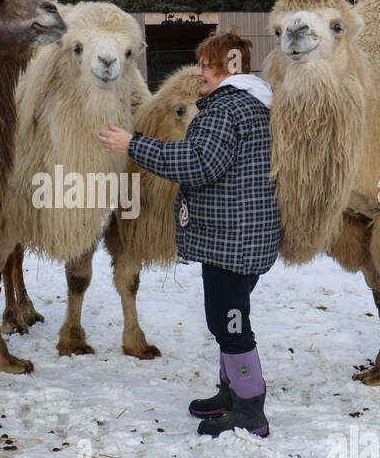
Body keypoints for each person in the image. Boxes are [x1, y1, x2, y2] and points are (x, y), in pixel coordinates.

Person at [99, 31, 280, 437]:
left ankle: (251, 413)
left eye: (206, 64)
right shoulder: (252, 103)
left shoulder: (224, 110)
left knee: (231, 325)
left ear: (229, 67)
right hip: (241, 235)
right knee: (228, 318)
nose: (199, 70)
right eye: (199, 62)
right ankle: (229, 393)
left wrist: (133, 144)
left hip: (232, 239)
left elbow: (198, 163)